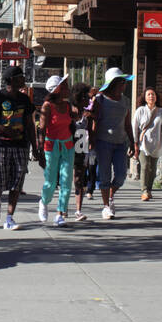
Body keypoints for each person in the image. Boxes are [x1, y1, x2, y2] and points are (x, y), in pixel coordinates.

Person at [0, 66, 39, 230]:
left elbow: (30, 125)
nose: (24, 79)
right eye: (21, 77)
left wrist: (36, 148)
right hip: (2, 145)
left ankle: (9, 218)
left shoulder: (25, 100)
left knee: (17, 183)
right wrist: (1, 128)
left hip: (21, 146)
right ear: (12, 80)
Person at [91, 67, 135, 220]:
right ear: (114, 83)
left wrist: (132, 142)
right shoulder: (99, 100)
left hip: (120, 142)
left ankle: (111, 194)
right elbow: (94, 121)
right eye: (122, 81)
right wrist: (92, 141)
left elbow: (128, 123)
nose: (124, 84)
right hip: (103, 142)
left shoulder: (125, 101)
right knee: (104, 175)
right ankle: (106, 207)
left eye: (125, 81)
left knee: (121, 175)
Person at [37, 74, 75, 226]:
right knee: (51, 181)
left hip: (68, 146)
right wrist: (39, 149)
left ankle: (60, 213)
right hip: (51, 147)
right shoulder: (47, 106)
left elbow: (73, 120)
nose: (67, 89)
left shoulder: (67, 106)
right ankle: (44, 201)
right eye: (64, 86)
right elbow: (42, 129)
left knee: (66, 180)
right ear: (57, 89)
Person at [133, 87, 162, 201]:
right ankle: (144, 191)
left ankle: (149, 190)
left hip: (157, 144)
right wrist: (134, 142)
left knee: (153, 170)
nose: (151, 97)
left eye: (153, 94)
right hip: (143, 143)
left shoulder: (161, 112)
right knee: (144, 166)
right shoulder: (140, 111)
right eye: (148, 95)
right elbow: (134, 127)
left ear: (156, 97)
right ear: (144, 97)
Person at [70, 84, 93, 221]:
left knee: (80, 178)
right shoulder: (69, 111)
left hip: (82, 144)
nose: (88, 100)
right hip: (68, 144)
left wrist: (91, 144)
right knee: (66, 178)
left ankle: (78, 210)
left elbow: (90, 130)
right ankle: (62, 209)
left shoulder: (87, 114)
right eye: (86, 97)